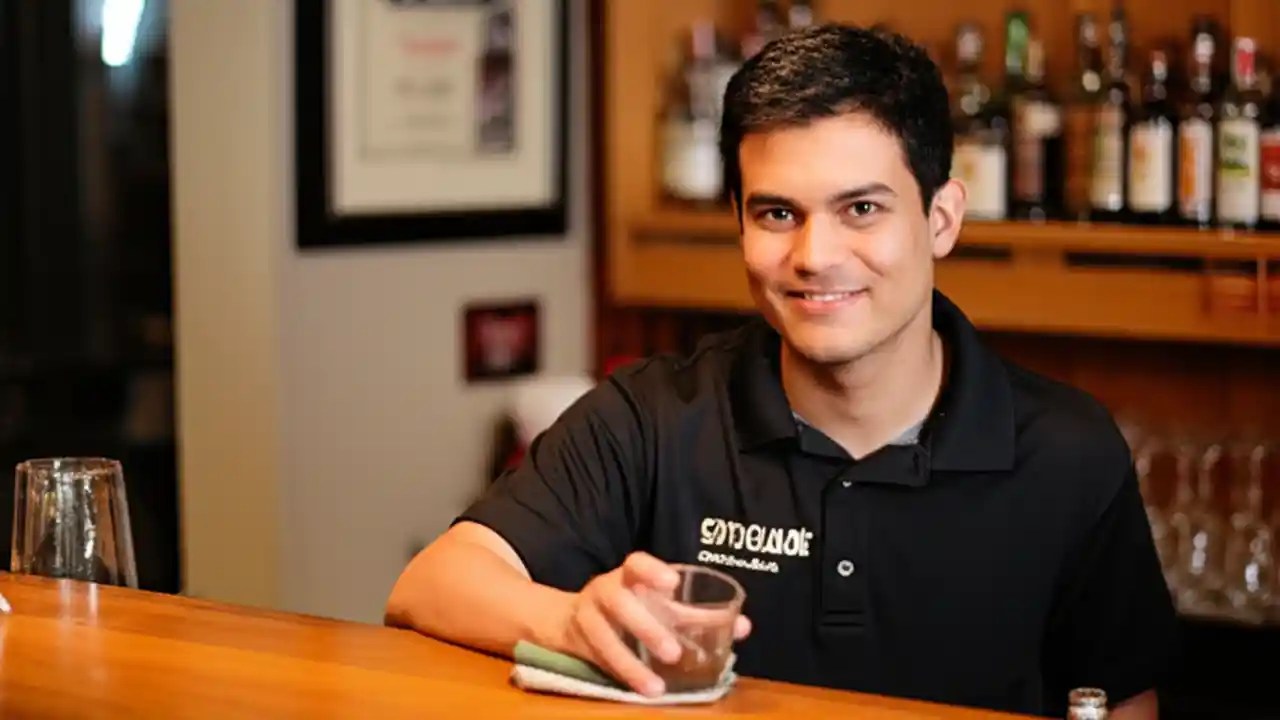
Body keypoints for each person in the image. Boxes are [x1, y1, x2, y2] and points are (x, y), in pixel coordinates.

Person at [386, 24, 1177, 719]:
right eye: (777, 213)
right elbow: (429, 585)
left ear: (941, 219)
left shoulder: (1069, 453)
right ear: (738, 224)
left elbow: (1122, 702)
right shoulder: (653, 417)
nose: (814, 256)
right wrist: (568, 623)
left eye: (860, 209)